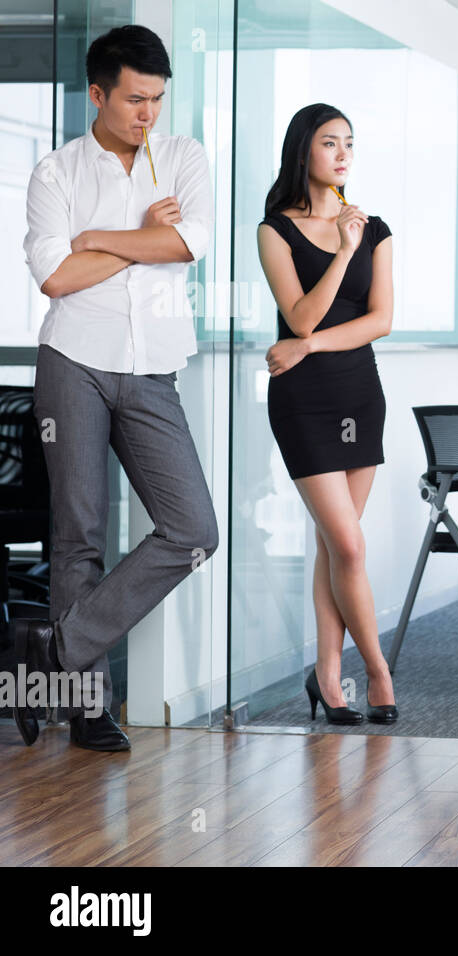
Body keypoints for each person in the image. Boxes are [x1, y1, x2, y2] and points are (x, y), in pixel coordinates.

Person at [14, 25, 218, 751]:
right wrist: (137, 235)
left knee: (194, 530)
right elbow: (54, 278)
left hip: (154, 366)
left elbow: (189, 243)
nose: (147, 115)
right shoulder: (56, 173)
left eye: (157, 100)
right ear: (98, 94)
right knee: (78, 535)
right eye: (134, 99)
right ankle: (85, 706)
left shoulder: (185, 157)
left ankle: (57, 653)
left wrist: (98, 238)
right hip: (73, 359)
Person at [257, 103, 397, 725]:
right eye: (328, 143)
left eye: (349, 144)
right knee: (347, 542)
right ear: (303, 153)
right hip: (304, 403)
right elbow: (302, 314)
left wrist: (307, 345)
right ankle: (378, 670)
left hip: (359, 396)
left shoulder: (378, 227)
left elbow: (380, 321)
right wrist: (341, 250)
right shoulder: (275, 231)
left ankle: (327, 673)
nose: (341, 154)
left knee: (335, 547)